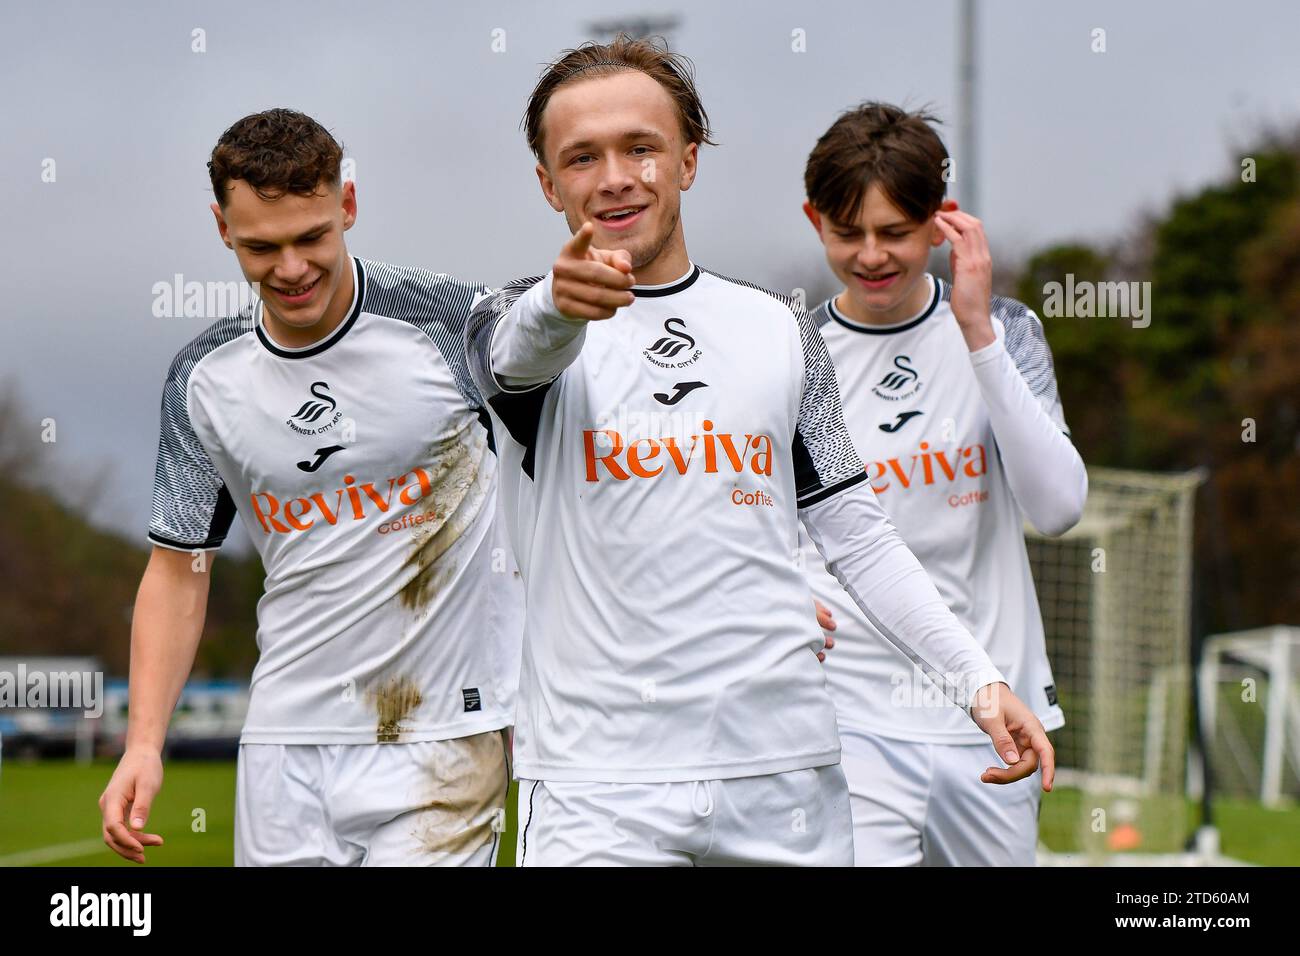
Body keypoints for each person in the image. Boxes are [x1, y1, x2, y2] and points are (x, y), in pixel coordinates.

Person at [465, 37, 1054, 867]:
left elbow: (857, 533)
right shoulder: (510, 324)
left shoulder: (780, 329)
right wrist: (559, 305)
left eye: (641, 147)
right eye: (582, 157)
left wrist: (978, 680)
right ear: (547, 182)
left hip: (788, 781)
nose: (615, 177)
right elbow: (518, 354)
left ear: (688, 160)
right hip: (599, 793)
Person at [99, 108, 522, 866]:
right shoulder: (203, 378)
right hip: (282, 743)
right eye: (261, 246)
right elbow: (176, 570)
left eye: (312, 238)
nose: (290, 268)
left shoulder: (453, 323)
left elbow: (569, 474)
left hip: (440, 740)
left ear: (347, 208)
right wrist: (142, 745)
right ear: (222, 228)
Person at [798, 102, 1087, 865]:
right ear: (813, 219)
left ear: (941, 222)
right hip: (850, 718)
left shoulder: (1004, 329)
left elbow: (1058, 509)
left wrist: (978, 335)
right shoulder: (794, 356)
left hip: (993, 716)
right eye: (847, 232)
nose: (870, 255)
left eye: (894, 232)